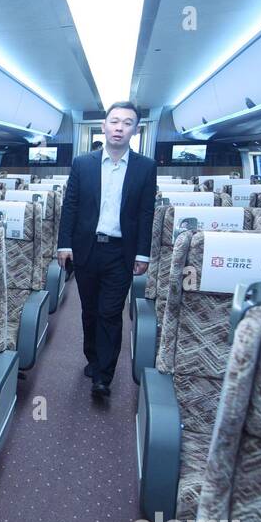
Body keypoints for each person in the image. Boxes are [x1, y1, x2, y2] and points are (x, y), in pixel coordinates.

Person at [56, 101, 157, 401]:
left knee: (110, 313)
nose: (119, 127)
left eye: (127, 123)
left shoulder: (146, 167)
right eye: (115, 121)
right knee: (89, 311)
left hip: (120, 252)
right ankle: (93, 359)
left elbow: (146, 213)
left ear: (135, 130)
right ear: (104, 125)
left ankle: (104, 376)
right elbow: (70, 206)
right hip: (86, 249)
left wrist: (143, 253)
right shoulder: (82, 163)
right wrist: (64, 244)